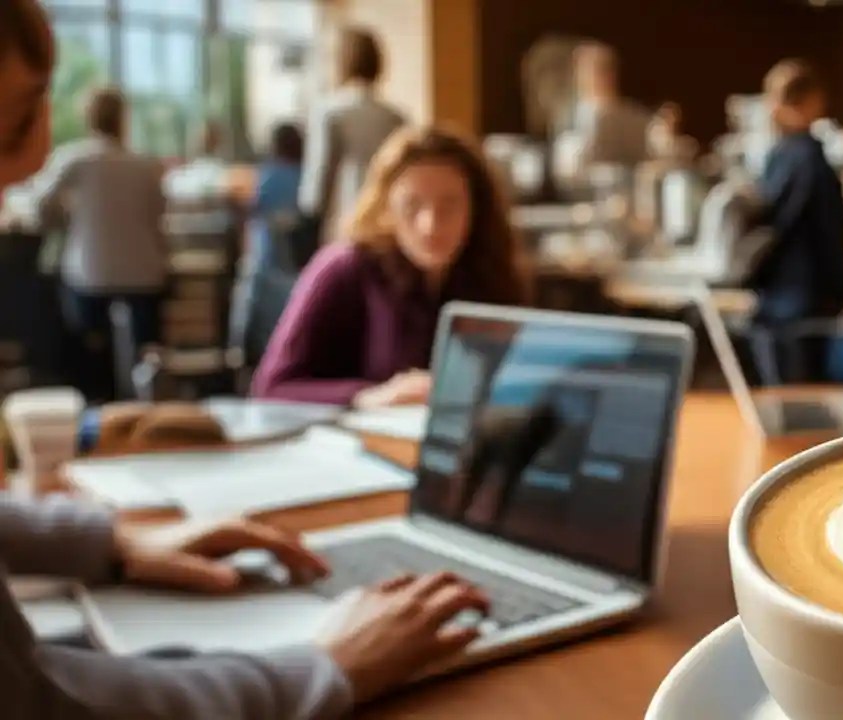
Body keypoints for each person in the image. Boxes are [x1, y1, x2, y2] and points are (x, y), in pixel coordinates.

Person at [0, 3, 487, 717]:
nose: (38, 152)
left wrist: (112, 541)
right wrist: (320, 669)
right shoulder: (346, 265)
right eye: (14, 123)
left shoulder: (483, 276)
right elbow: (33, 701)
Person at [252, 126, 532, 407]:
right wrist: (368, 396)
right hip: (359, 432)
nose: (430, 225)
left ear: (476, 208)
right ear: (386, 207)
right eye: (412, 205)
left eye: (450, 205)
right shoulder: (344, 267)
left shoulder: (490, 269)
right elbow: (271, 386)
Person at [32, 87, 168, 401]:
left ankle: (96, 396)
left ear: (88, 118)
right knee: (145, 347)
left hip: (90, 275)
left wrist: (66, 218)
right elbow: (159, 213)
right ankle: (146, 398)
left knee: (86, 341)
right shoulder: (147, 164)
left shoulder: (74, 159)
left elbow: (40, 206)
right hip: (145, 275)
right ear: (123, 118)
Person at [748, 59, 843, 384]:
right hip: (805, 300)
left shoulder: (777, 157)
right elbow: (828, 232)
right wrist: (841, 292)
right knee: (802, 393)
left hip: (775, 299)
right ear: (813, 101)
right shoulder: (809, 160)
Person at [299, 26, 405, 244]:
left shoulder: (329, 112)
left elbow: (316, 188)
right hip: (386, 220)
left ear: (341, 63)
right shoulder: (396, 117)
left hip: (344, 217)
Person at [570, 42, 651, 169]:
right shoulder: (568, 117)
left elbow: (647, 158)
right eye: (590, 69)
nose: (597, 77)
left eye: (605, 69)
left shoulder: (636, 117)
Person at [249, 122, 306, 274]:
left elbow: (257, 205)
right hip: (299, 250)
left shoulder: (270, 174)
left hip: (269, 252)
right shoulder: (304, 174)